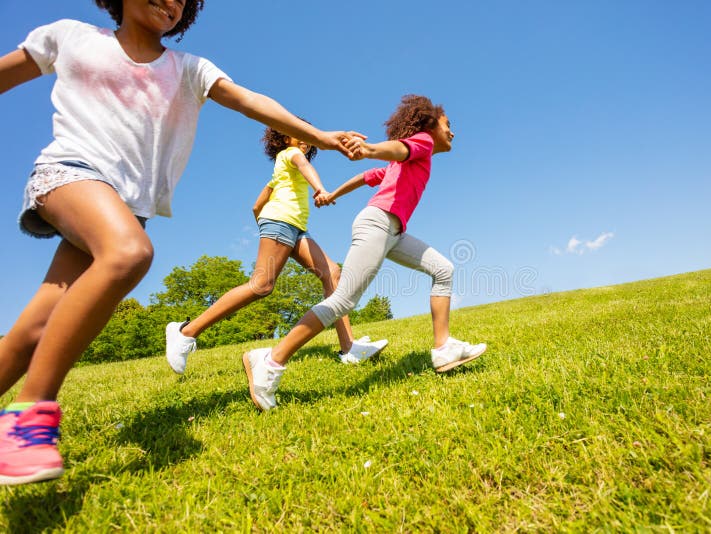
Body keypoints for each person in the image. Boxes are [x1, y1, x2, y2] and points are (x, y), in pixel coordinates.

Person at [0, 0, 362, 485]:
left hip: (127, 207)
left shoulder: (189, 70)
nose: (172, 1)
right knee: (129, 253)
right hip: (67, 174)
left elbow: (253, 101)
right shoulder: (70, 36)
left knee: (33, 332)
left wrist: (320, 135)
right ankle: (31, 415)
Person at [242, 95, 487, 412]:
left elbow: (364, 177)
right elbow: (401, 148)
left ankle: (443, 348)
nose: (452, 132)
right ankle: (271, 361)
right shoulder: (422, 143)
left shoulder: (400, 166)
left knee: (443, 269)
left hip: (392, 231)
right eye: (448, 125)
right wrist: (369, 150)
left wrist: (332, 193)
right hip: (378, 225)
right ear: (430, 124)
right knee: (343, 299)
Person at [165, 125, 388, 374]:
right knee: (261, 286)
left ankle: (348, 348)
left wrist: (265, 224)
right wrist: (319, 190)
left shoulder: (279, 172)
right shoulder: (291, 155)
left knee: (332, 274)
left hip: (295, 229)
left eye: (308, 138)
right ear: (285, 138)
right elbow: (305, 167)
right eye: (300, 136)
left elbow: (256, 206)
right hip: (282, 224)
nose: (305, 141)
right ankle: (185, 332)